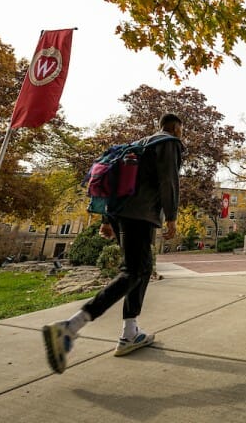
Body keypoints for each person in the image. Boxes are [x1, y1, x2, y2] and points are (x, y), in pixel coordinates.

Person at [42, 113, 184, 374]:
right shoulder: (169, 143)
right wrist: (172, 217)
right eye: (181, 131)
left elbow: (117, 182)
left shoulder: (139, 145)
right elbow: (169, 181)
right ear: (175, 128)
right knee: (134, 271)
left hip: (121, 215)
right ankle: (70, 327)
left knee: (140, 270)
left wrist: (107, 220)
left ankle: (130, 332)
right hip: (140, 216)